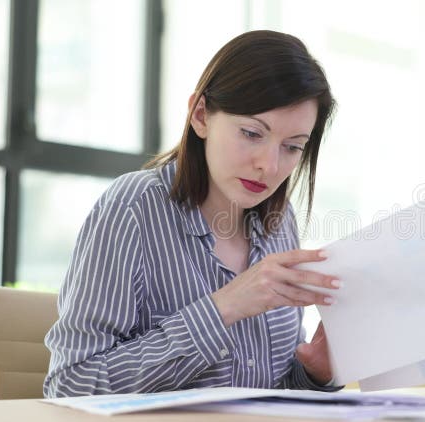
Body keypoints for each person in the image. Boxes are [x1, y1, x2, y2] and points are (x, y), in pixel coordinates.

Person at [43, 30, 342, 397]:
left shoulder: (280, 223)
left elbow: (267, 394)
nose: (269, 165)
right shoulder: (134, 208)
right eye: (251, 133)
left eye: (293, 147)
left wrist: (315, 374)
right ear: (201, 116)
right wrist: (223, 308)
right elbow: (71, 385)